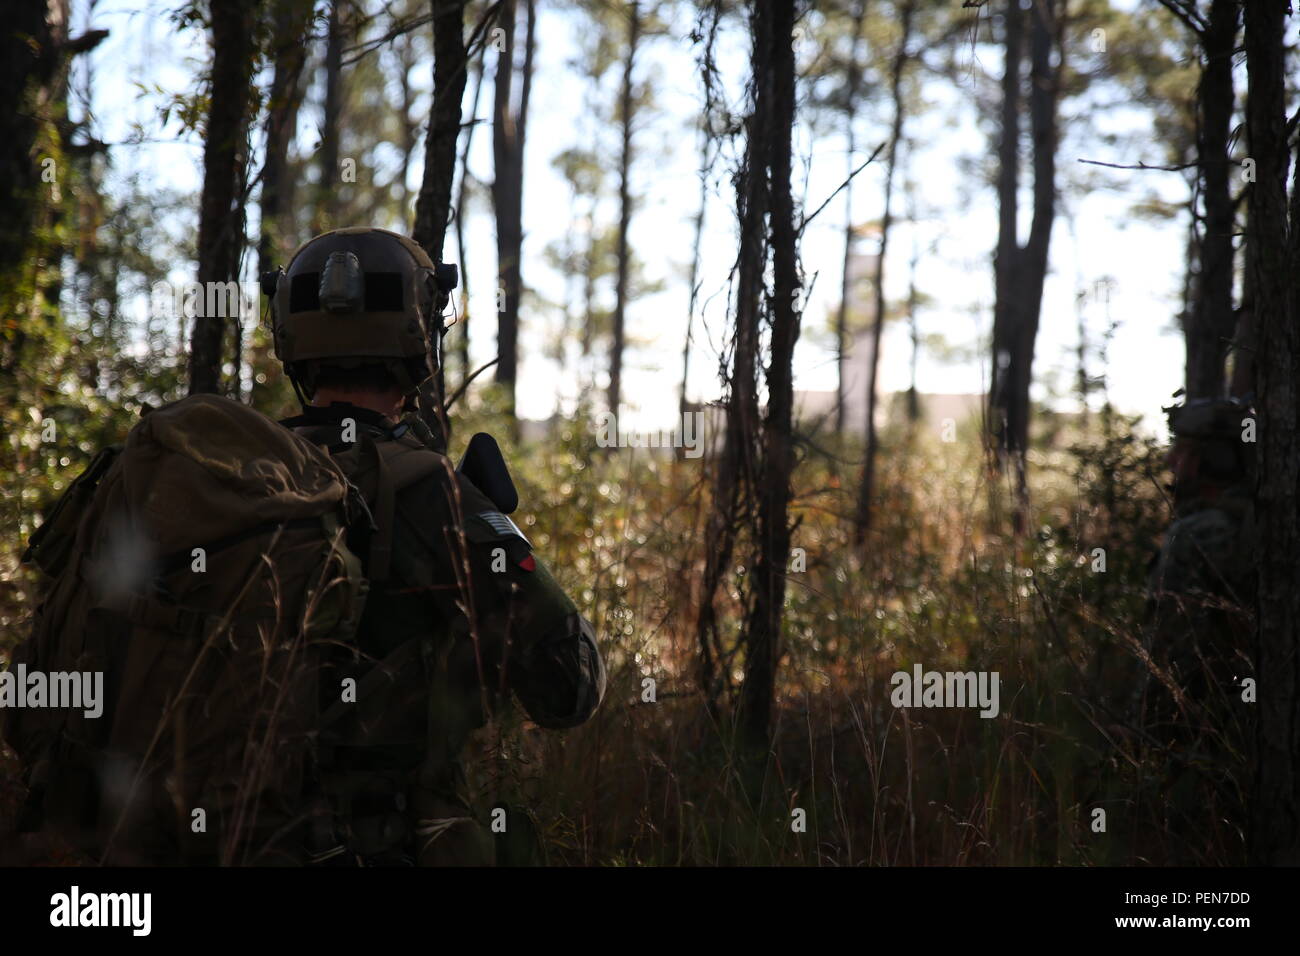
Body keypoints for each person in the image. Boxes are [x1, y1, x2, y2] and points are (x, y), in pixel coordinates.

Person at [269, 227, 606, 865]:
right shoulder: (434, 495)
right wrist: (491, 531)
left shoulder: (228, 477)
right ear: (419, 343)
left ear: (291, 340)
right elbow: (571, 690)